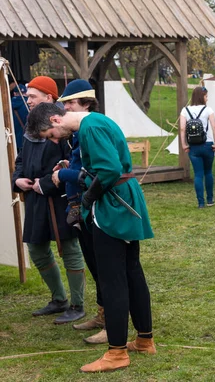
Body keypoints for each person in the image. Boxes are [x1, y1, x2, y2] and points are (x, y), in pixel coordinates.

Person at [26, 103, 156, 372]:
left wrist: (87, 198)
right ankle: (144, 340)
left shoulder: (90, 128)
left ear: (55, 119)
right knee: (131, 272)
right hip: (121, 202)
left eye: (50, 134)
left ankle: (117, 353)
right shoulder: (95, 121)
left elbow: (107, 170)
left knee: (113, 278)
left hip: (114, 205)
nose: (54, 139)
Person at [12, 76, 86, 324]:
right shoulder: (31, 125)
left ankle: (77, 303)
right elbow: (21, 158)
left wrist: (45, 183)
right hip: (35, 199)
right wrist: (18, 179)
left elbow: (73, 162)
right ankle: (59, 299)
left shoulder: (65, 125)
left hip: (60, 198)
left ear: (49, 97)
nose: (27, 99)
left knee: (70, 250)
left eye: (32, 95)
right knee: (36, 249)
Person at [53, 79, 107, 343]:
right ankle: (103, 313)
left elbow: (95, 173)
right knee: (94, 264)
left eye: (71, 103)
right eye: (64, 104)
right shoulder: (77, 132)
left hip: (97, 205)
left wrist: (63, 174)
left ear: (86, 103)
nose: (67, 108)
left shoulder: (92, 129)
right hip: (83, 205)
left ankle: (112, 320)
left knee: (105, 267)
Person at [180, 86, 215, 208]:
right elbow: (214, 127)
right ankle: (210, 199)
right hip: (207, 144)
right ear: (202, 97)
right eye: (206, 96)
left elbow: (182, 128)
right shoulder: (208, 110)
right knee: (208, 172)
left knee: (198, 174)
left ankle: (200, 202)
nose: (207, 98)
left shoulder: (185, 110)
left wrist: (184, 144)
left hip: (193, 146)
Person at [10, 82, 28, 152]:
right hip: (26, 140)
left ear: (14, 93)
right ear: (26, 93)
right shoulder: (29, 105)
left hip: (11, 141)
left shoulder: (6, 105)